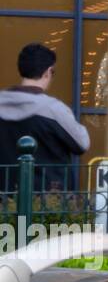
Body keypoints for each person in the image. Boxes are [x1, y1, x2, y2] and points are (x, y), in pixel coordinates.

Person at [0, 43, 90, 190]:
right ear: (48, 72)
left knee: (21, 215)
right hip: (47, 203)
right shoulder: (53, 109)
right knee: (25, 215)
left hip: (5, 200)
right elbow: (82, 143)